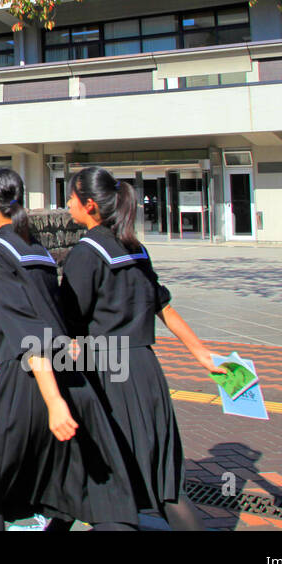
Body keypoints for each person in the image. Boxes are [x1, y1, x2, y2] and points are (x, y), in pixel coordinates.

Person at [0, 169, 139, 531]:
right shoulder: (38, 250)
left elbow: (28, 331)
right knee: (70, 487)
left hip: (27, 379)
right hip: (65, 371)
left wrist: (53, 401)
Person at [59, 166, 228, 532]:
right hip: (147, 372)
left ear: (89, 205)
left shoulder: (86, 254)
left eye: (71, 197)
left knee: (108, 478)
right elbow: (163, 305)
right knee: (163, 483)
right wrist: (201, 354)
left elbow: (67, 326)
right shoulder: (135, 248)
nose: (67, 203)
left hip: (108, 374)